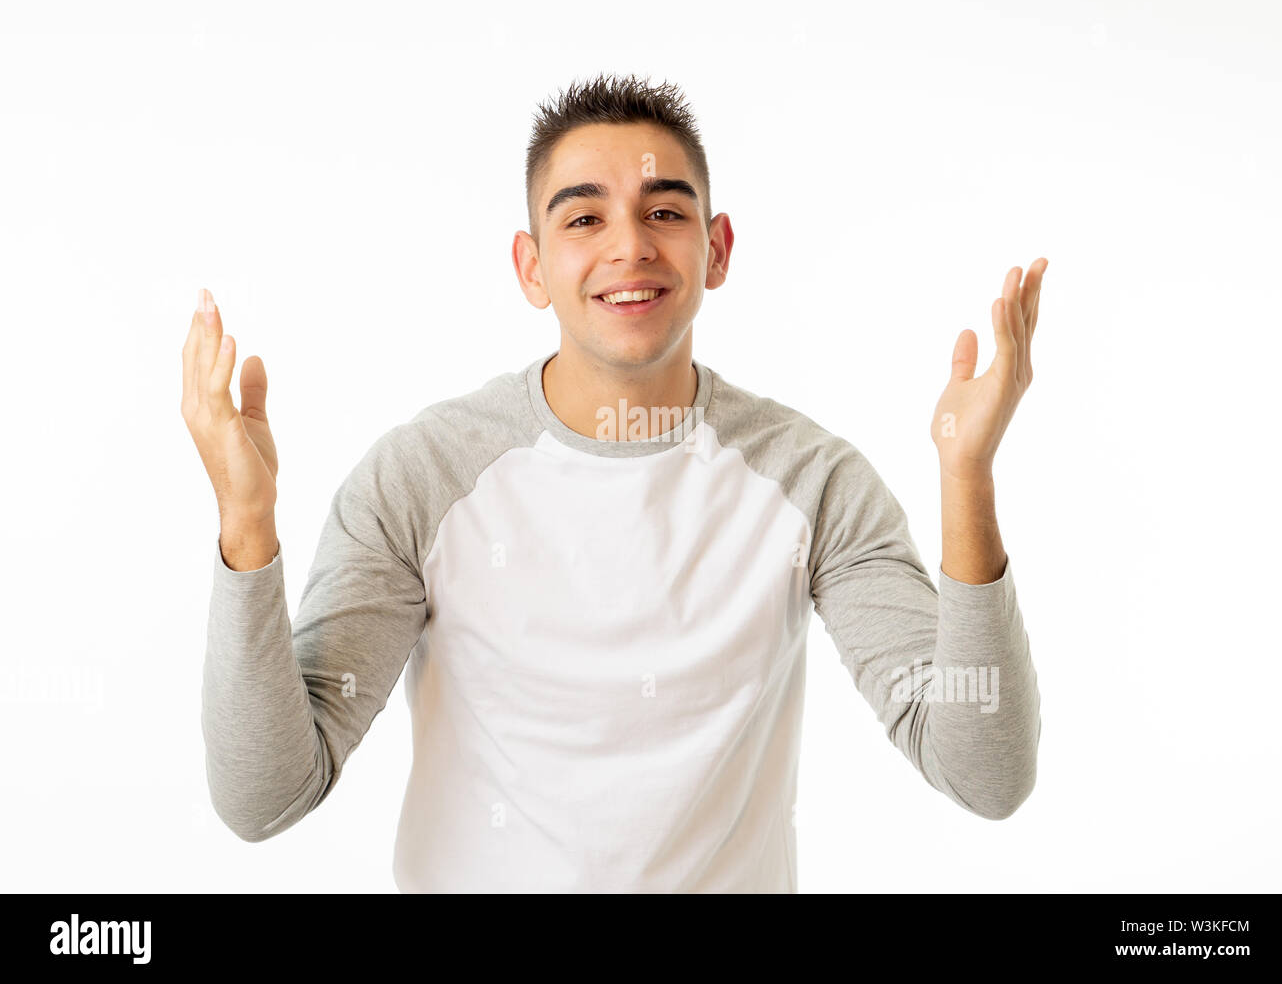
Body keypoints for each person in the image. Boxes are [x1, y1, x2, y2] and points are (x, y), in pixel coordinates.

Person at [181, 72, 1045, 893]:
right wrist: (246, 524)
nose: (630, 246)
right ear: (531, 267)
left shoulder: (814, 483)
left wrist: (967, 476)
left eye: (663, 210)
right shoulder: (423, 477)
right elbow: (266, 798)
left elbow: (982, 772)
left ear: (717, 249)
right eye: (583, 219)